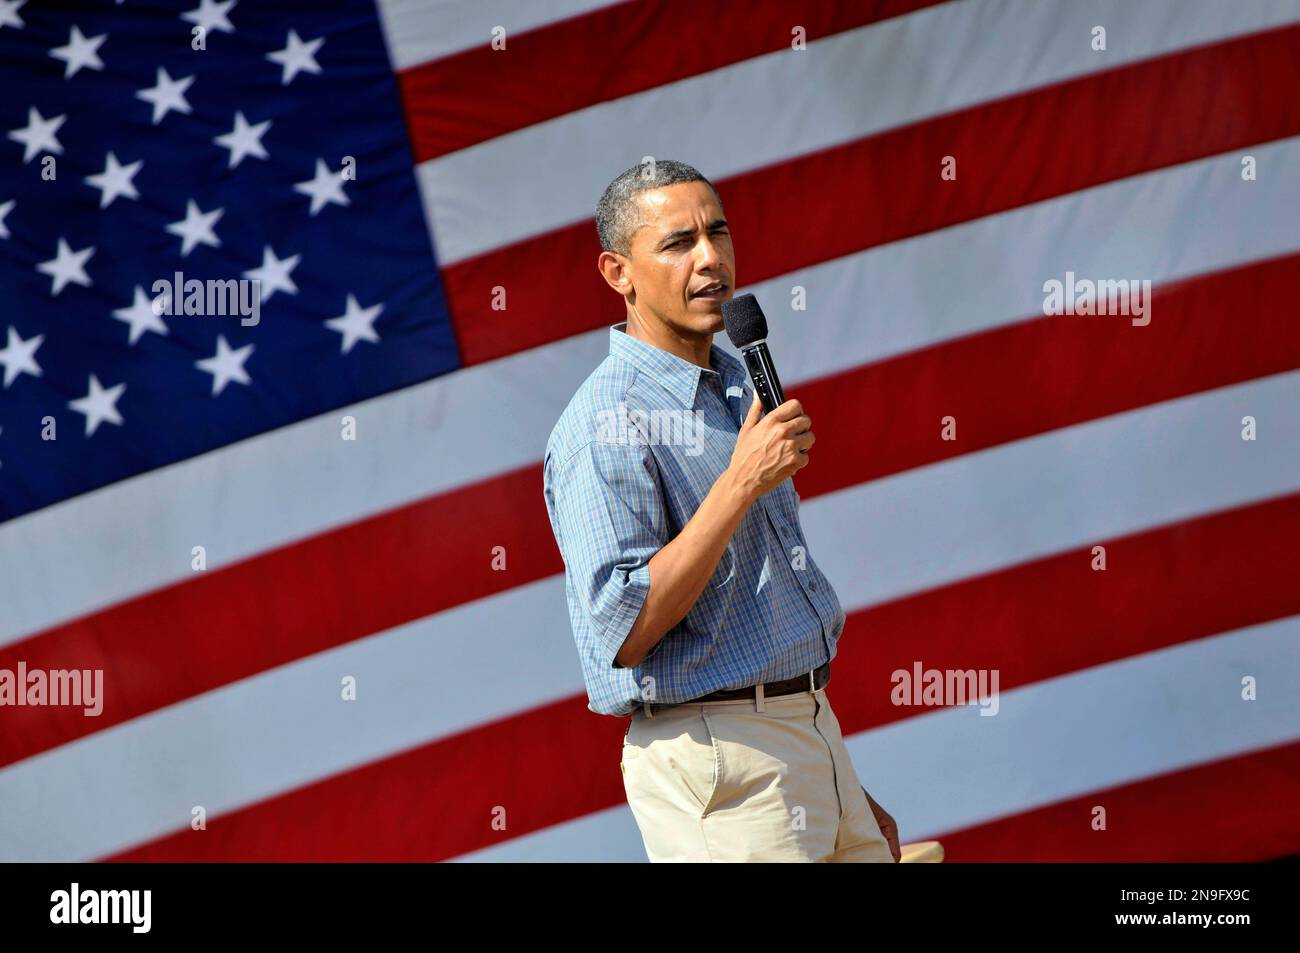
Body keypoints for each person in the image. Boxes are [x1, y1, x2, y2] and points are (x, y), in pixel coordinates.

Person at [542, 158, 899, 862]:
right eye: (677, 242)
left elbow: (764, 623)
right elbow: (623, 628)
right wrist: (737, 484)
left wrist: (839, 781)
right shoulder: (603, 423)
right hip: (717, 758)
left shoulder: (738, 377)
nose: (710, 258)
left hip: (809, 733)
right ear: (619, 273)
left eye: (718, 232)